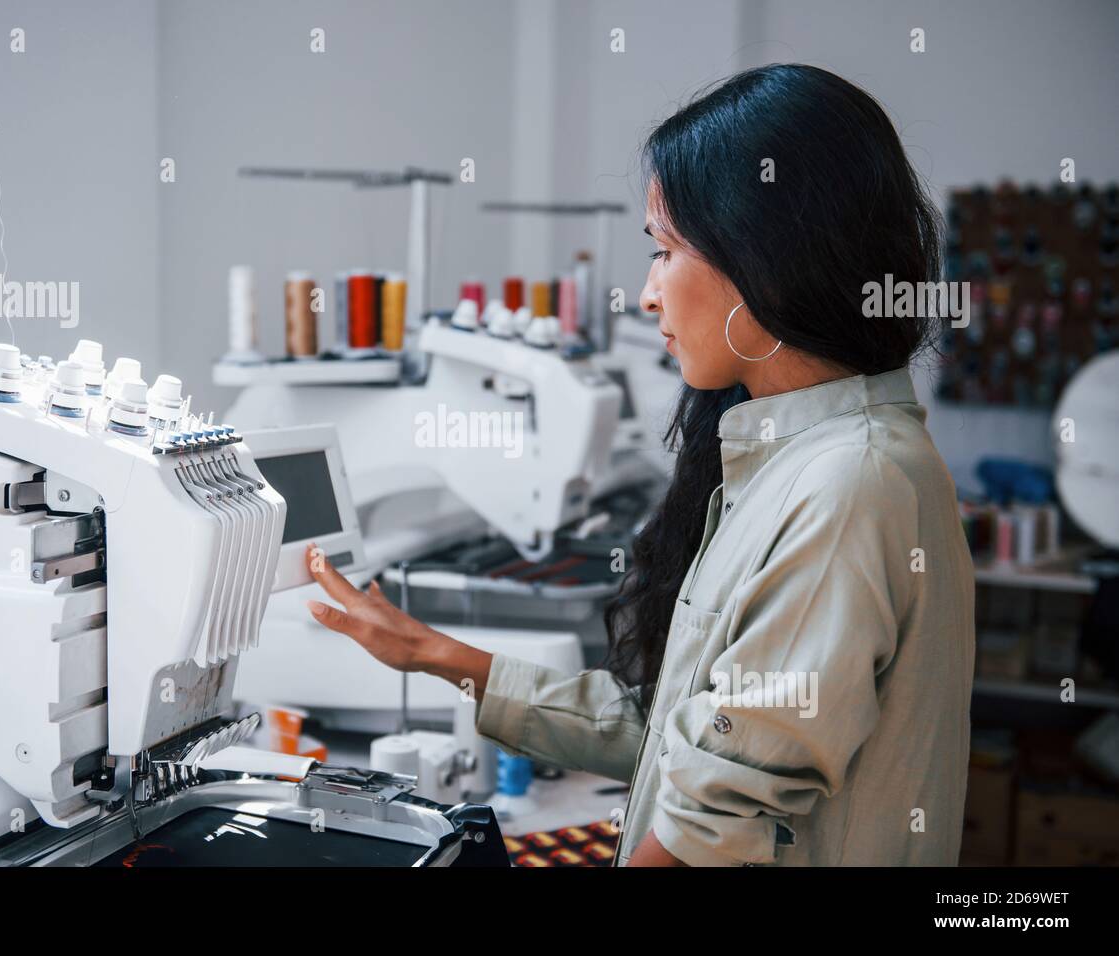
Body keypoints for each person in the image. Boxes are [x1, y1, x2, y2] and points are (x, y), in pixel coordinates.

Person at [304, 63, 975, 866]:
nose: (647, 294)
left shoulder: (847, 486)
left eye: (664, 252)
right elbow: (673, 734)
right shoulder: (802, 464)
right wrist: (427, 651)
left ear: (764, 256)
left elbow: (712, 826)